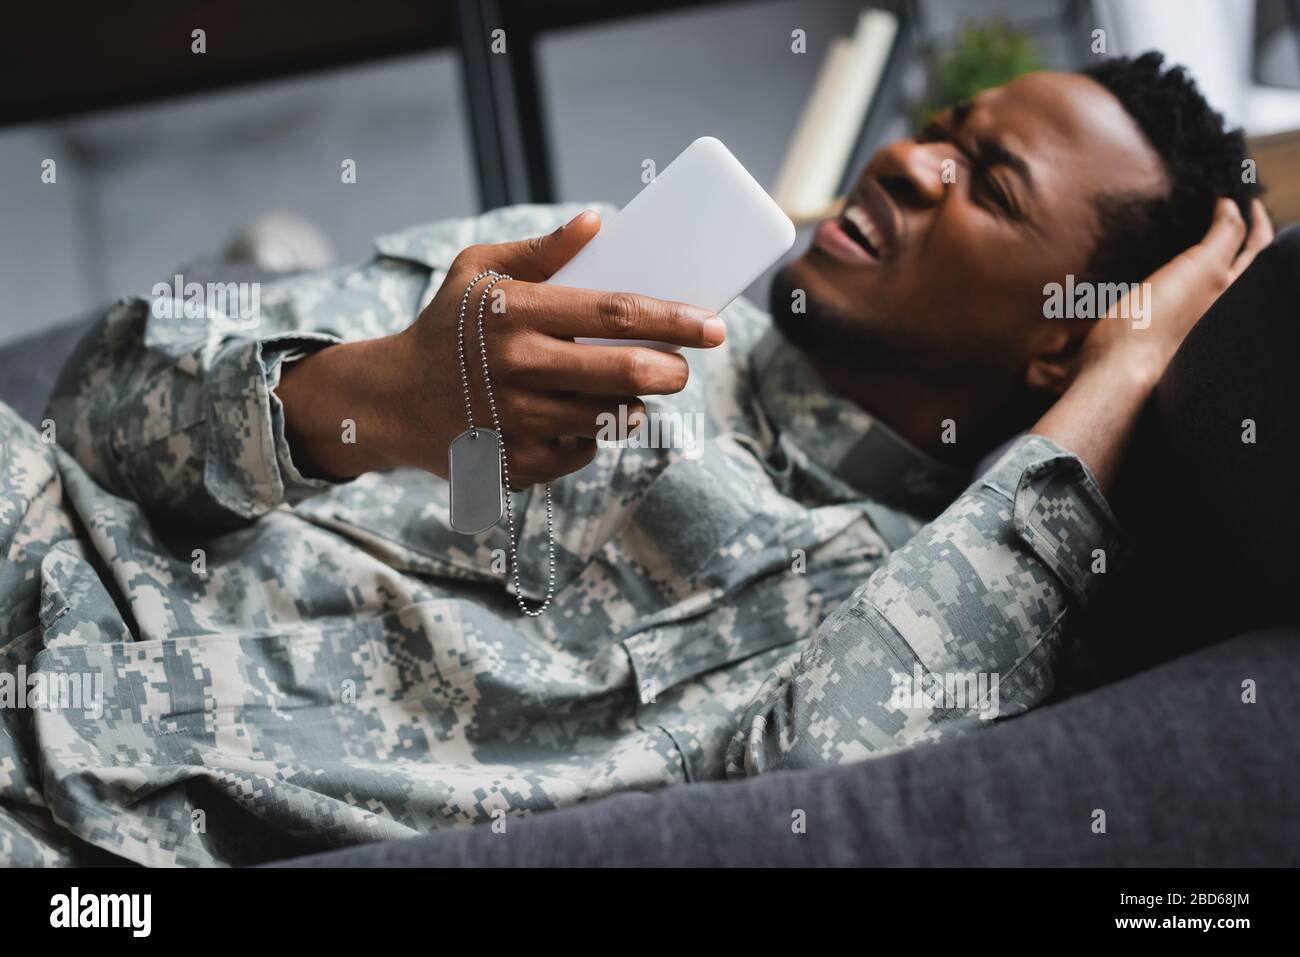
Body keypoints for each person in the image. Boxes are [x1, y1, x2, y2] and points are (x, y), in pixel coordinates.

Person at [0, 53, 1273, 866]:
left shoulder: (937, 612)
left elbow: (818, 803)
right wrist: (376, 399)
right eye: (942, 126)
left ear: (1070, 335)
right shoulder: (563, 270)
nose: (908, 158)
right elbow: (96, 404)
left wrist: (1120, 383)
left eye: (989, 183)